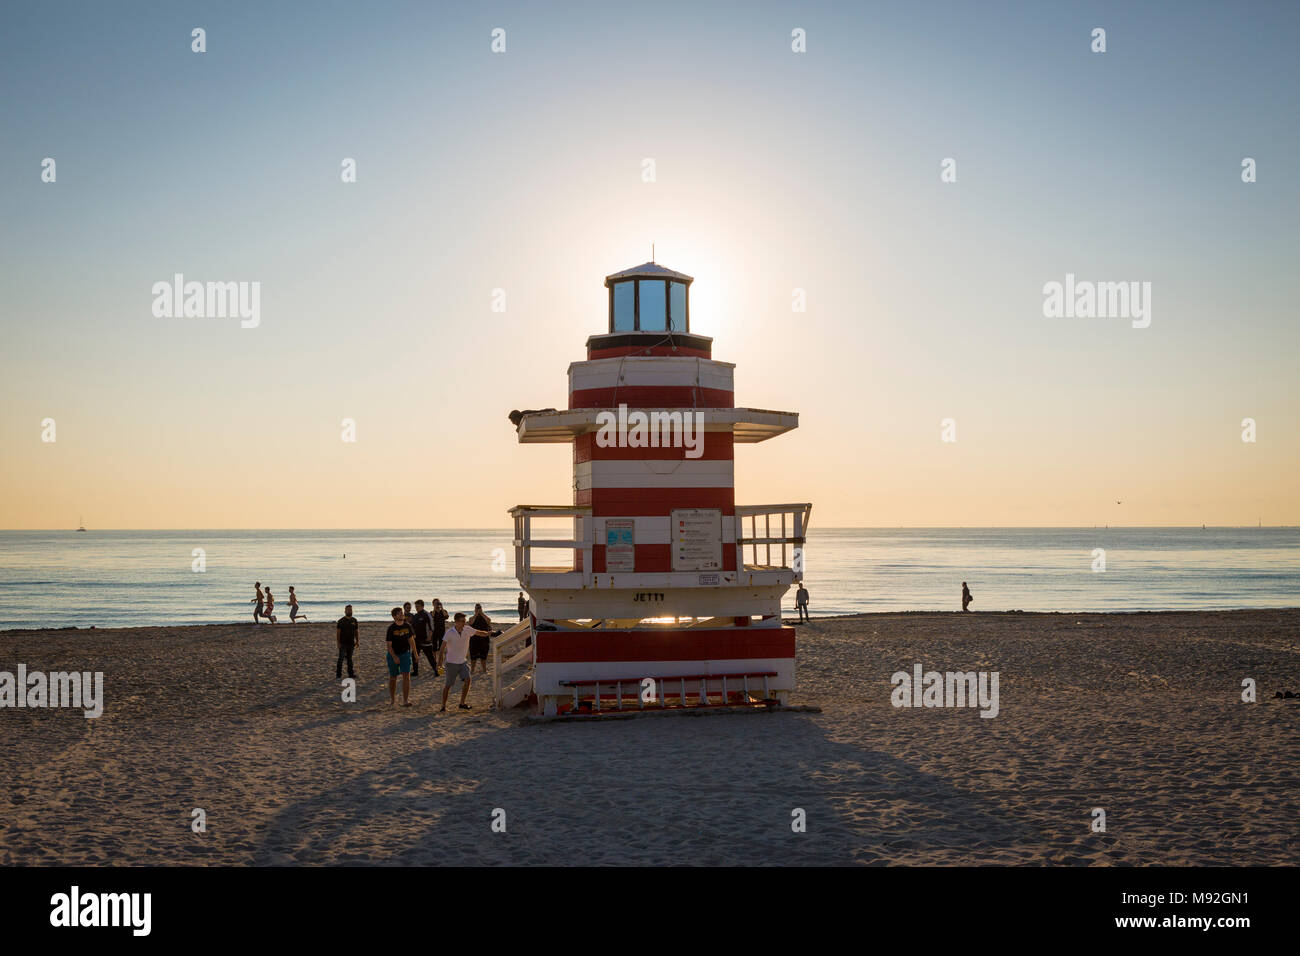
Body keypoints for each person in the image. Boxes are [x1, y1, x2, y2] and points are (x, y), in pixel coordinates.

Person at [439, 612, 491, 712]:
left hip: (462, 662)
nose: (464, 623)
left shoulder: (467, 629)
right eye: (462, 621)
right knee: (448, 685)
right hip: (451, 663)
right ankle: (443, 705)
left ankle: (462, 703)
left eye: (465, 621)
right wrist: (439, 663)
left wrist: (489, 633)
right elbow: (441, 649)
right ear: (456, 622)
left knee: (467, 679)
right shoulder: (449, 632)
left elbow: (479, 633)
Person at [385, 606, 416, 706]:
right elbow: (389, 646)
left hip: (405, 654)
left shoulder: (407, 626)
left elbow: (411, 640)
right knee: (393, 677)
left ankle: (405, 701)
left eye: (402, 613)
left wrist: (415, 653)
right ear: (394, 616)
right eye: (399, 613)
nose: (402, 614)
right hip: (393, 655)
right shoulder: (391, 628)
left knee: (406, 676)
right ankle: (392, 700)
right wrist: (394, 657)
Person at [410, 599, 435, 677]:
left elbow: (431, 627)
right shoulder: (415, 616)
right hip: (416, 640)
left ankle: (438, 671)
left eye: (418, 606)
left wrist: (430, 637)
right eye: (416, 606)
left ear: (422, 606)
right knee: (414, 655)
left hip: (426, 639)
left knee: (430, 657)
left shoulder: (426, 614)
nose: (417, 608)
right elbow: (412, 628)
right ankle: (415, 672)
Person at [468, 603, 495, 675]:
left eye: (479, 608)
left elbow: (489, 621)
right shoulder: (472, 618)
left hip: (484, 639)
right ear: (474, 609)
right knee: (473, 657)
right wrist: (476, 614)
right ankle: (472, 670)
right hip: (474, 640)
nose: (478, 610)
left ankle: (484, 670)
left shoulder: (484, 617)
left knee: (484, 657)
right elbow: (470, 622)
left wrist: (482, 613)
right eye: (477, 608)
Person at [335, 604, 359, 679]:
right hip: (343, 643)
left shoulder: (354, 620)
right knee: (341, 659)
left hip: (351, 643)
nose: (349, 611)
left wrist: (357, 641)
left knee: (350, 659)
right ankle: (338, 675)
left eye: (350, 610)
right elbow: (338, 633)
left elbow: (356, 631)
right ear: (345, 611)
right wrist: (338, 643)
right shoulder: (341, 621)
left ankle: (351, 674)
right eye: (348, 610)